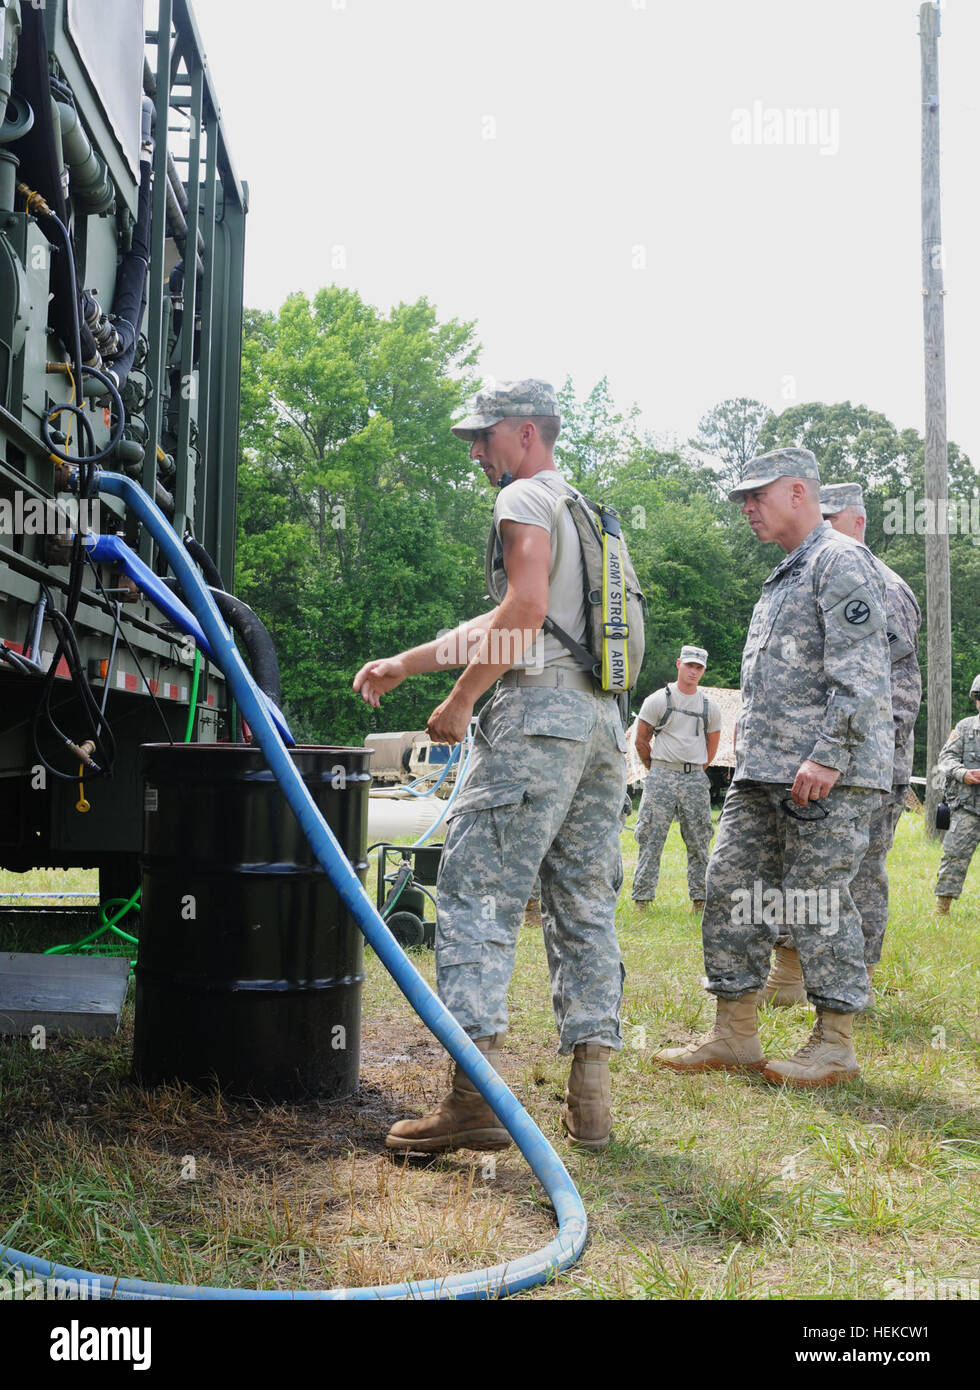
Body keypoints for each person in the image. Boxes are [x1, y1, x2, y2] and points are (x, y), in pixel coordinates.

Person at [353, 379, 630, 1151]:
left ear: (525, 434)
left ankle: (474, 1104)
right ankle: (593, 1096)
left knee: (475, 895)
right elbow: (510, 612)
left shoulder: (521, 503)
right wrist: (407, 663)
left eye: (484, 437)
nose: (475, 452)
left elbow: (525, 611)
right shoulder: (585, 511)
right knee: (583, 902)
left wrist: (463, 698)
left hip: (536, 722)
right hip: (600, 726)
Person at [654, 448, 893, 1087]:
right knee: (729, 888)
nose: (746, 510)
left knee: (816, 901)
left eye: (755, 497)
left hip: (824, 775)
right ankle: (733, 1032)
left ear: (796, 491)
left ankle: (834, 1044)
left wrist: (828, 755)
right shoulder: (788, 571)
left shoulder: (839, 562)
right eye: (742, 500)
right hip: (761, 772)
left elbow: (863, 677)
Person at [764, 482, 922, 1001]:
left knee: (861, 873)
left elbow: (892, 688)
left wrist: (870, 756)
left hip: (872, 760)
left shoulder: (884, 585)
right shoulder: (818, 571)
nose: (822, 526)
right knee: (810, 870)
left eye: (833, 518)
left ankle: (860, 983)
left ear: (857, 521)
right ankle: (789, 976)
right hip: (825, 754)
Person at [631, 645, 722, 912]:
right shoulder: (658, 699)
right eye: (689, 665)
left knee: (699, 839)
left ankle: (700, 901)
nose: (693, 671)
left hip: (694, 777)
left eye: (699, 667)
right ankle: (642, 900)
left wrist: (696, 769)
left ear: (703, 671)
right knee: (650, 837)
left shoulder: (709, 706)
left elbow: (712, 745)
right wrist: (656, 768)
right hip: (661, 774)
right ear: (678, 664)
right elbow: (641, 740)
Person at [934, 674, 980, 913]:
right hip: (968, 807)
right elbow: (945, 759)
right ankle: (943, 908)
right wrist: (963, 773)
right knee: (954, 855)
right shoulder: (965, 727)